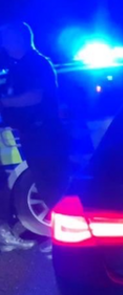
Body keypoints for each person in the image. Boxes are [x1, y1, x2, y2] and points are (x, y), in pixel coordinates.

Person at [0, 22, 70, 253]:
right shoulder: (14, 66)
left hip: (46, 134)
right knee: (46, 184)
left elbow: (33, 98)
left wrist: (3, 102)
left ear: (20, 39)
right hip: (32, 134)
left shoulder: (36, 64)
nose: (2, 40)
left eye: (6, 36)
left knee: (54, 185)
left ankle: (69, 238)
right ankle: (63, 236)